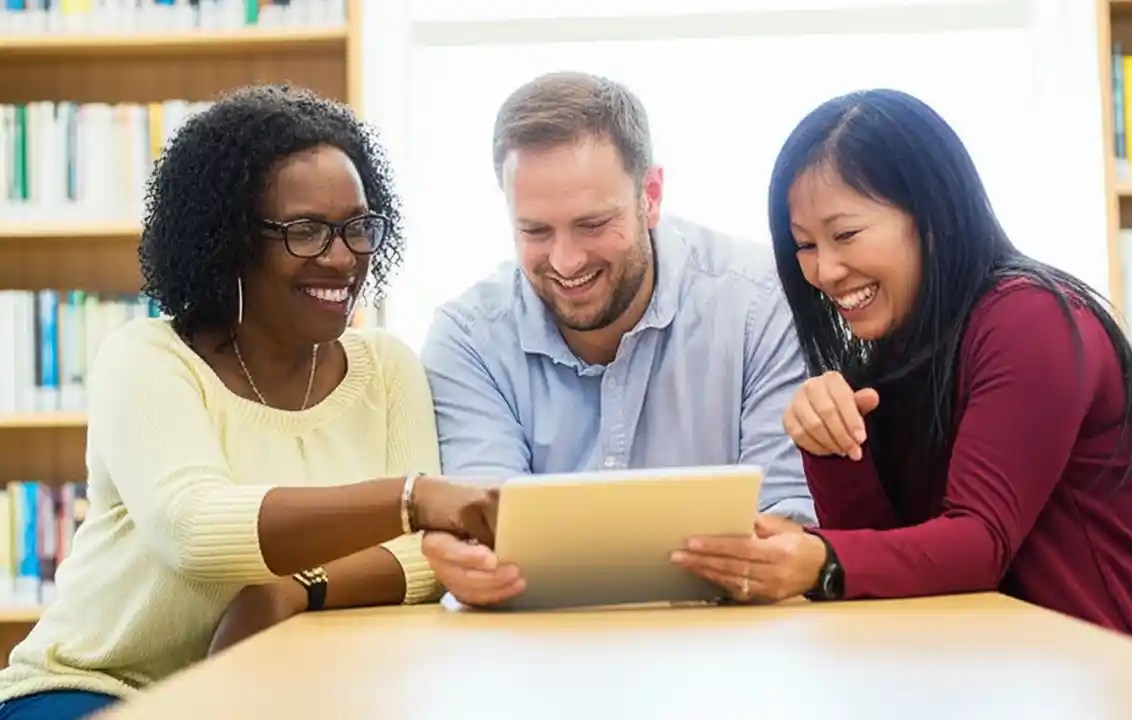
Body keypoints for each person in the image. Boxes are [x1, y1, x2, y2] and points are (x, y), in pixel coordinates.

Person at [671, 88, 1132, 663]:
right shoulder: (892, 350)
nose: (824, 271)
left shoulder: (1031, 318)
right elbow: (888, 572)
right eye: (805, 245)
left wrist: (820, 559)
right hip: (1009, 681)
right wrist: (831, 445)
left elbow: (979, 543)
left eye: (846, 235)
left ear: (931, 218)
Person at [0, 85, 498, 720]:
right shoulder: (148, 359)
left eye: (357, 228)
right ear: (231, 239)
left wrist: (294, 592)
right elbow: (196, 528)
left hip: (276, 694)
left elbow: (420, 563)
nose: (342, 257)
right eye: (307, 231)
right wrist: (411, 498)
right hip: (105, 688)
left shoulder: (388, 368)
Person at [419, 71, 814, 608]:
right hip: (536, 656)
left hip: (730, 647)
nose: (565, 261)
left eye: (591, 224)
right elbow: (488, 530)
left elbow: (787, 522)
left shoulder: (760, 302)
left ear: (649, 195)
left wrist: (782, 554)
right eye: (535, 231)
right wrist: (470, 564)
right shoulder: (467, 338)